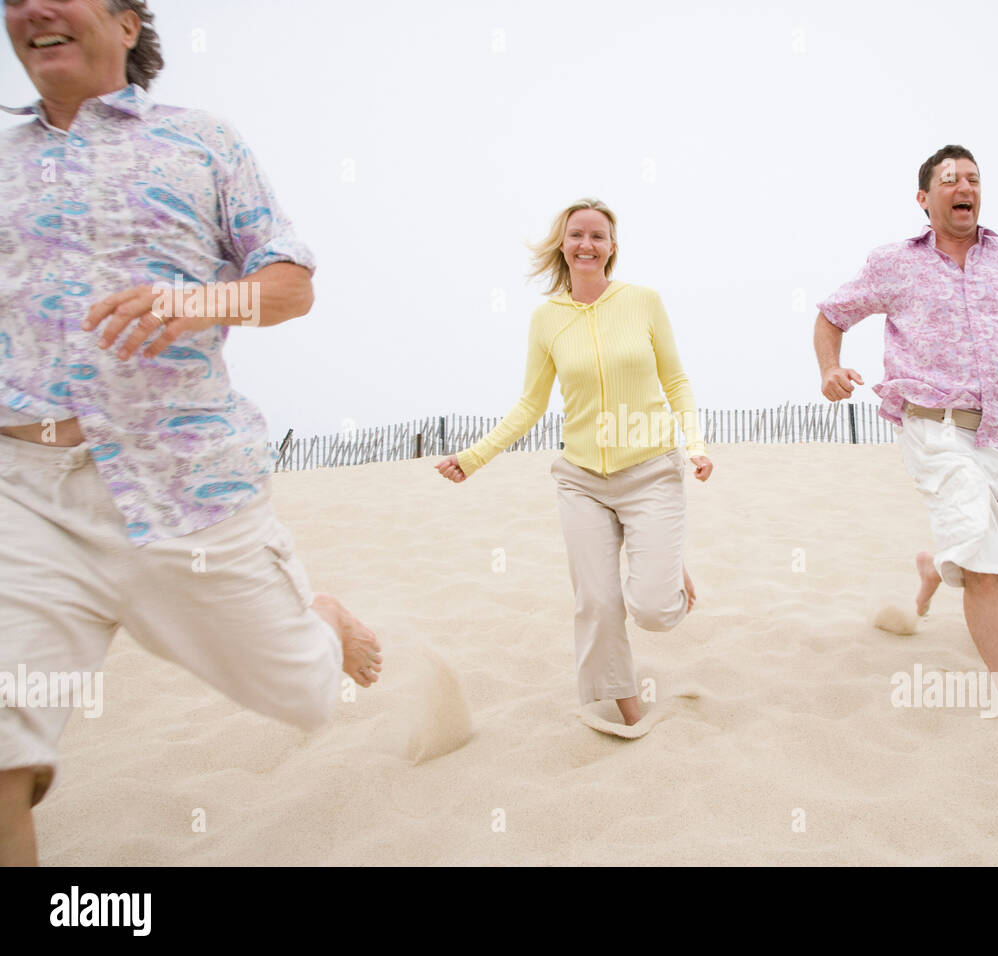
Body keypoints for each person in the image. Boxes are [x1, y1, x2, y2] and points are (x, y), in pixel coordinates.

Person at [0, 0, 382, 865]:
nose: (32, 9)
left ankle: (319, 621)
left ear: (128, 22)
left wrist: (195, 300)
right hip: (21, 499)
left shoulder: (202, 140)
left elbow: (291, 285)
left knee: (306, 695)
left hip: (187, 490)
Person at [436, 198, 711, 726]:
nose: (587, 244)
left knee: (653, 610)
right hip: (581, 480)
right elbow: (531, 405)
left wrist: (694, 446)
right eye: (577, 234)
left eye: (598, 236)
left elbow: (675, 380)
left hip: (651, 469)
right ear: (563, 244)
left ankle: (666, 562)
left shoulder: (643, 301)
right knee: (597, 603)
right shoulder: (546, 319)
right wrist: (473, 458)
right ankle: (627, 709)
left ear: (612, 247)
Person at [812, 145, 998, 717]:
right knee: (983, 568)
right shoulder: (894, 262)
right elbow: (831, 315)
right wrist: (830, 368)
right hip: (938, 430)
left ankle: (931, 566)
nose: (963, 187)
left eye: (972, 179)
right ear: (924, 199)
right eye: (949, 180)